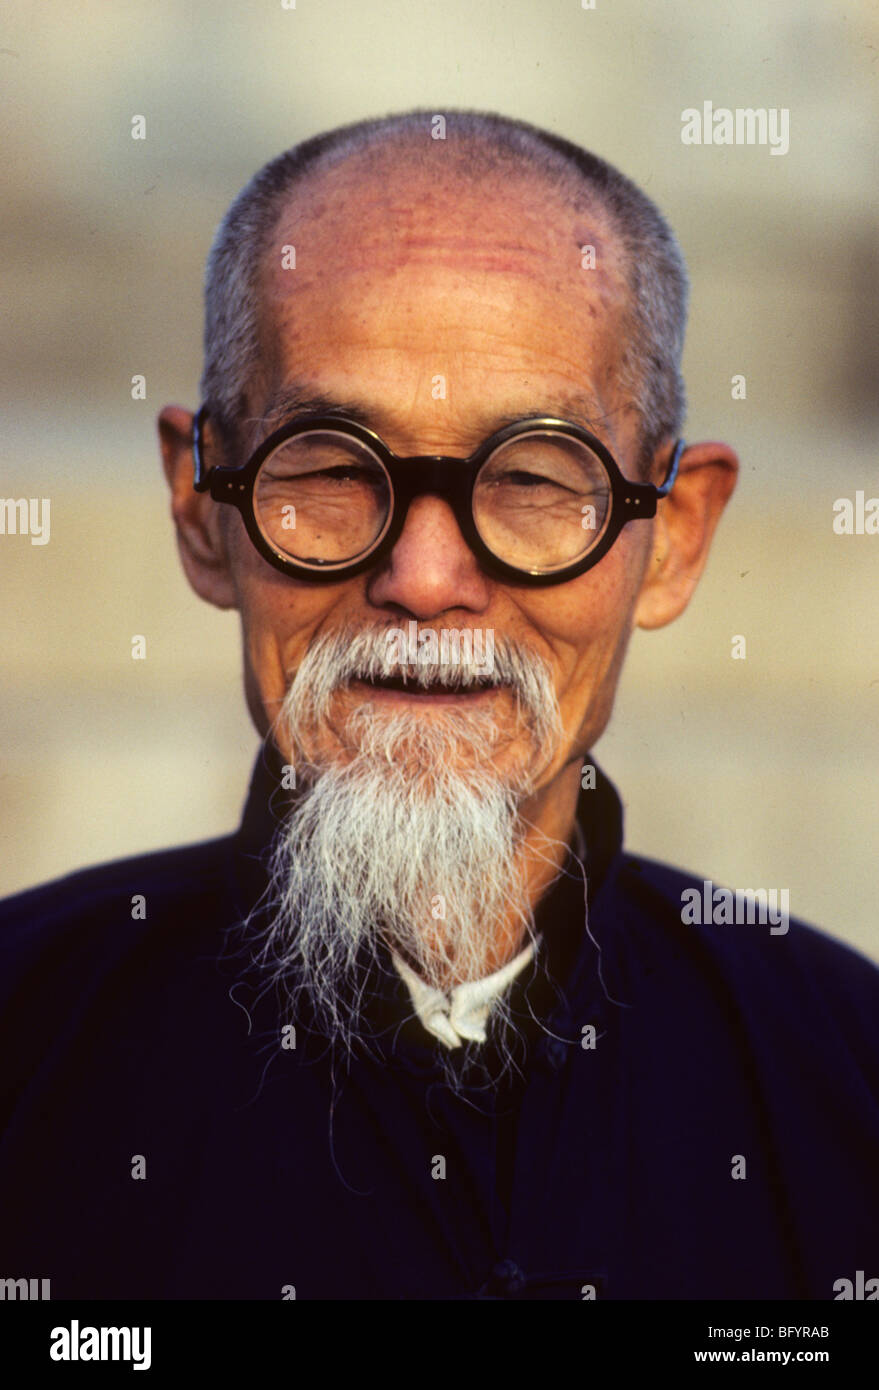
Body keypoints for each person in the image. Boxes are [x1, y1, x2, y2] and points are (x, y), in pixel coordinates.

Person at [1, 109, 877, 1302]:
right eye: (326, 463)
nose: (420, 578)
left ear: (670, 539)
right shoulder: (27, 1046)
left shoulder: (844, 1081)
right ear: (204, 510)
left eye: (528, 475)